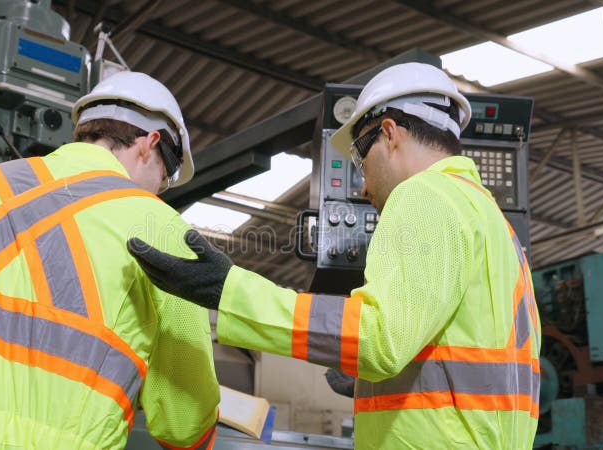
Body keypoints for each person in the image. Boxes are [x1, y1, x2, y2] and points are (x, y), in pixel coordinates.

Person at [128, 63, 541, 449]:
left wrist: (230, 292)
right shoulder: (490, 220)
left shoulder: (423, 195)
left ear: (391, 132)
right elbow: (452, 353)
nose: (362, 187)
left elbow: (381, 341)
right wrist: (372, 379)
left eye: (361, 160)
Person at [0, 71, 219, 450]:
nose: (157, 191)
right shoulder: (159, 227)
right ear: (150, 143)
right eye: (163, 177)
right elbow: (181, 422)